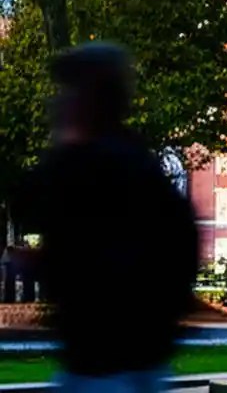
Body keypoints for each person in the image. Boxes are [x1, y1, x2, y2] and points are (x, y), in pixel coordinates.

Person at [19, 43, 198, 393]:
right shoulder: (138, 164)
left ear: (89, 100)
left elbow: (37, 202)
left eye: (68, 91)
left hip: (102, 369)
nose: (57, 102)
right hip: (132, 363)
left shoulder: (90, 166)